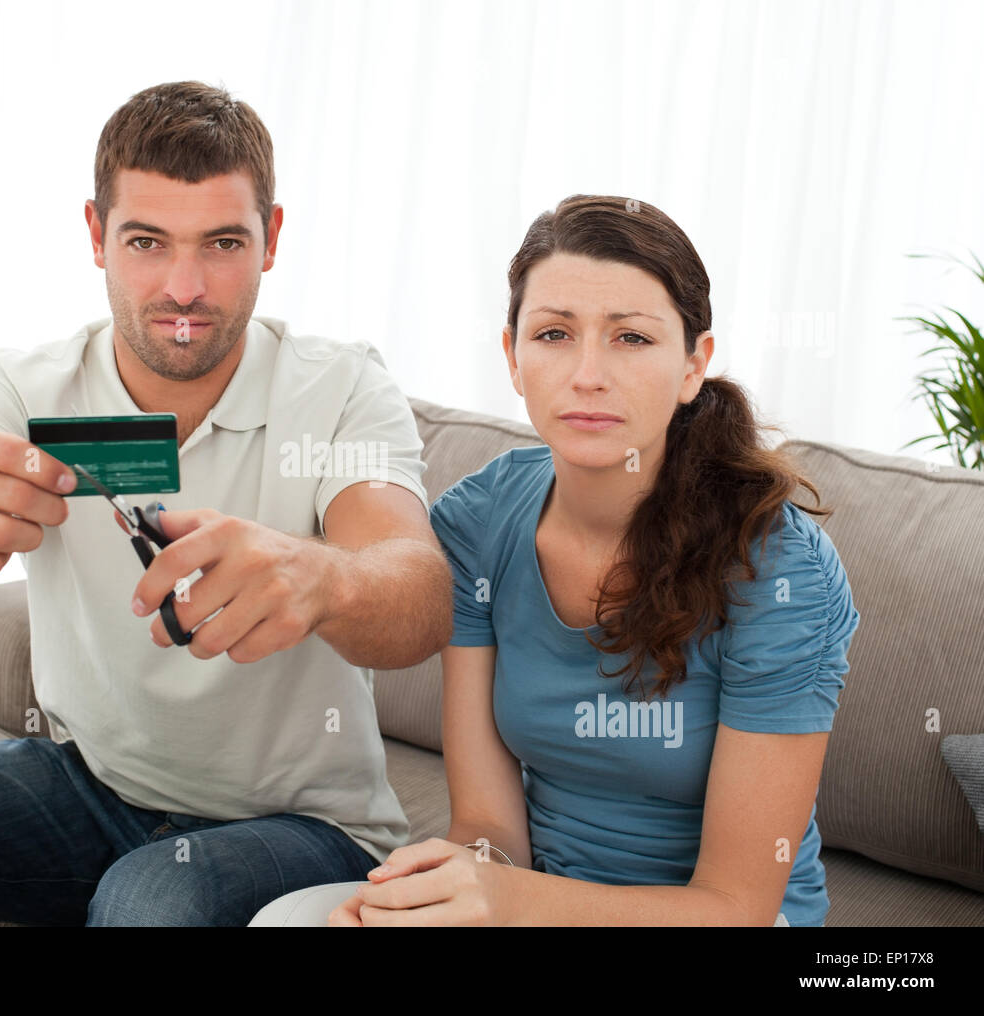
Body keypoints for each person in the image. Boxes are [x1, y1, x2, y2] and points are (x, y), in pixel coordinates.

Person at [0, 80, 453, 927]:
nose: (184, 289)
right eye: (147, 241)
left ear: (271, 238)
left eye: (221, 243)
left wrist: (322, 578)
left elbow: (418, 593)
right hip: (91, 787)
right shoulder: (30, 388)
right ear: (97, 236)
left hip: (303, 826)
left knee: (150, 902)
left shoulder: (342, 389)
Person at [249, 194, 861, 927]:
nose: (587, 374)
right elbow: (490, 827)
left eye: (632, 339)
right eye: (554, 334)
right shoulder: (478, 524)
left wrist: (506, 898)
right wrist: (449, 884)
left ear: (694, 364)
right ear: (512, 356)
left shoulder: (780, 570)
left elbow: (736, 907)